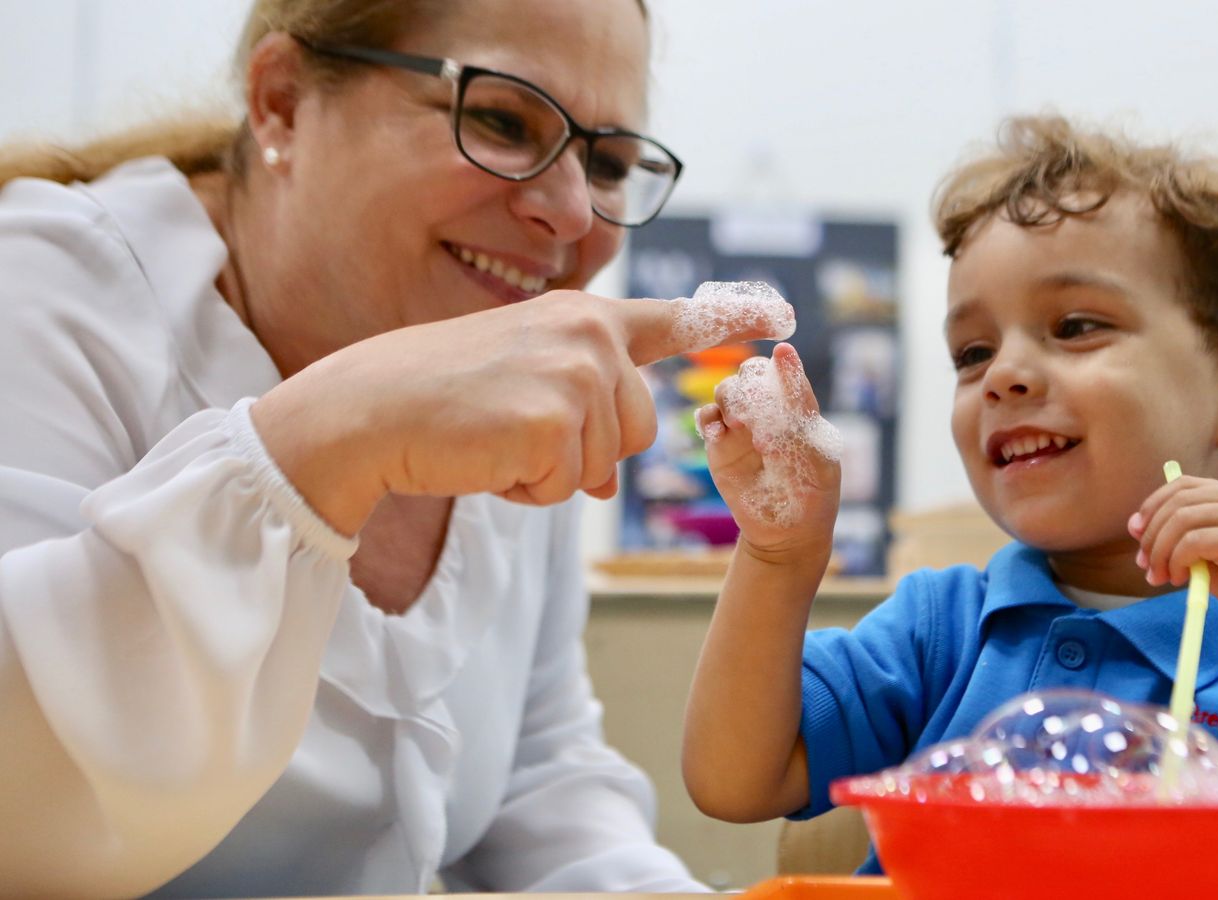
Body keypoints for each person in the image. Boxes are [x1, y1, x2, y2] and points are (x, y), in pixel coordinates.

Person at [0, 0, 789, 895]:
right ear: (282, 102)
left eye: (607, 163)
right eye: (500, 118)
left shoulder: (506, 355)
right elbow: (22, 811)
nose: (573, 213)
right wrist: (333, 438)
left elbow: (538, 775)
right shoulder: (43, 292)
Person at [682, 116, 1218, 899]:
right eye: (973, 352)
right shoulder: (942, 629)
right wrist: (777, 560)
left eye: (1077, 325)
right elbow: (733, 779)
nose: (1004, 373)